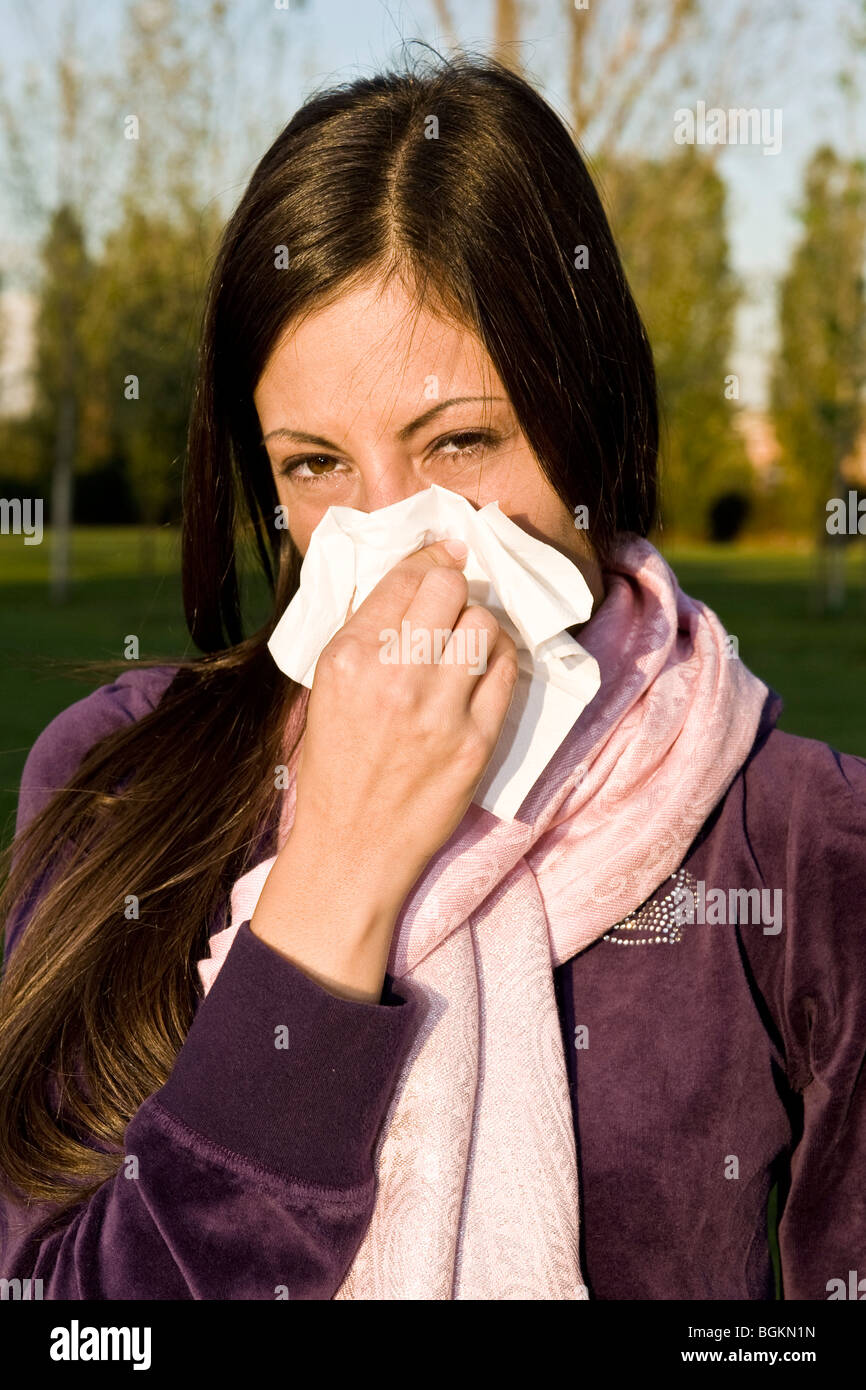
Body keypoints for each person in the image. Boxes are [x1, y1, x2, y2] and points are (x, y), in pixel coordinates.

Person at [1, 53, 864, 1302]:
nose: (392, 538)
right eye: (313, 464)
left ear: (589, 421)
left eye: (458, 440)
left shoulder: (795, 843)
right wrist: (336, 874)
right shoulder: (113, 776)